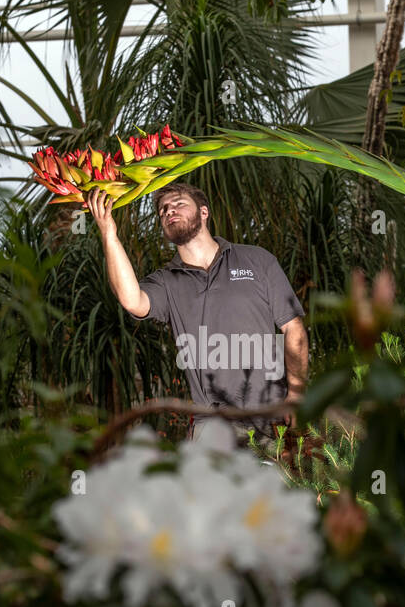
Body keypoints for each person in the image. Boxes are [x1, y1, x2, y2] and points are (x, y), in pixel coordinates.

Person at [86, 182, 309, 442]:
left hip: (271, 416)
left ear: (204, 212)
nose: (169, 211)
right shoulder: (167, 282)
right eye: (163, 210)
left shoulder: (257, 260)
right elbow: (132, 299)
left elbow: (293, 328)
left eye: (179, 204)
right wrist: (109, 234)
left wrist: (296, 392)